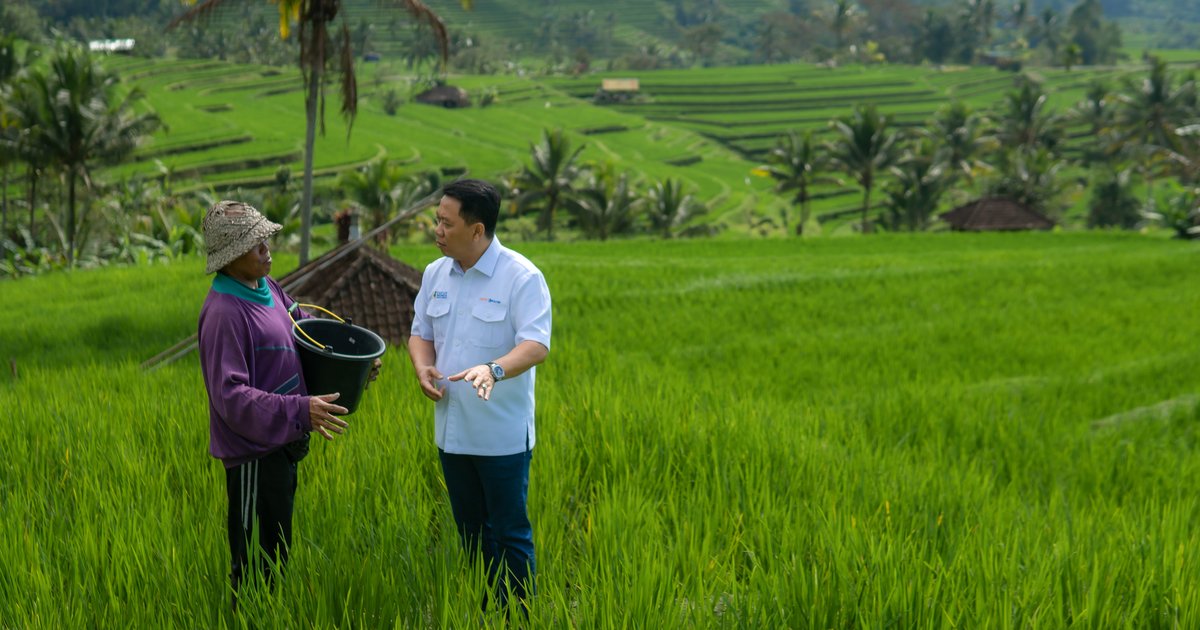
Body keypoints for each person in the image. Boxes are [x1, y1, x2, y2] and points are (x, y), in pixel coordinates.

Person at [197, 200, 377, 608]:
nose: (268, 250)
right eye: (257, 244)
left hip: (283, 446)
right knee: (252, 564)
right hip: (252, 457)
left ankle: (270, 615)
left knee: (276, 555)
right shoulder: (225, 313)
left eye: (266, 241)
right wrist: (299, 410)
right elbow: (231, 398)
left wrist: (356, 365)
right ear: (231, 256)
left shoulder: (268, 288)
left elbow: (305, 330)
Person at [408, 179, 552, 613]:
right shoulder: (436, 273)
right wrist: (422, 367)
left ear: (476, 230)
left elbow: (535, 345)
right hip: (451, 432)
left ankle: (519, 616)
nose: (437, 229)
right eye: (437, 220)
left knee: (509, 533)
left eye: (445, 223)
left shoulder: (521, 277)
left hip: (501, 435)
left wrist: (493, 369)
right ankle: (489, 611)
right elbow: (420, 334)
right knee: (471, 533)